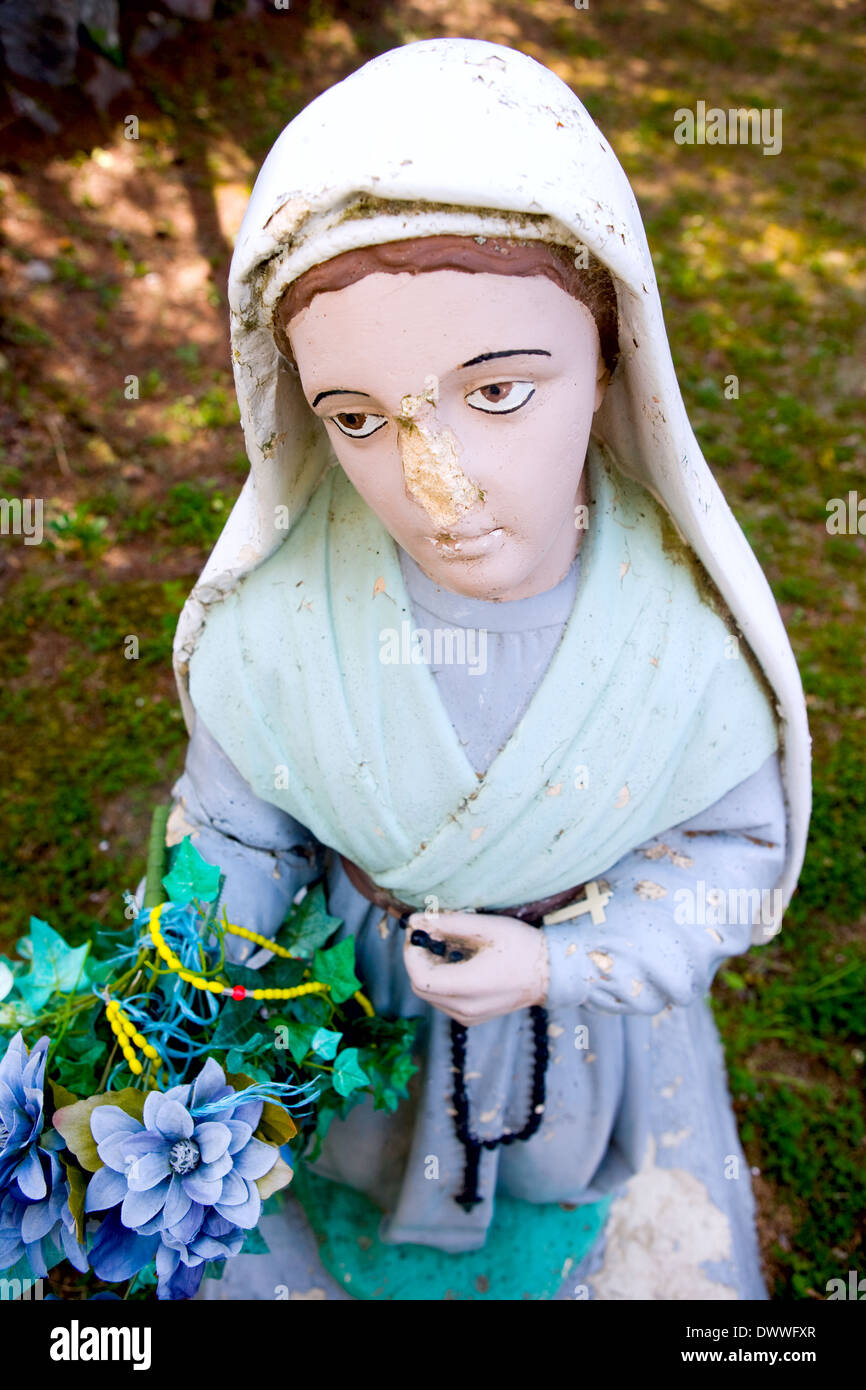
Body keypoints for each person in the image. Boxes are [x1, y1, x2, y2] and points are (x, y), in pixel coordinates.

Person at [174, 38, 810, 1300]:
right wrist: (194, 971)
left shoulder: (678, 640)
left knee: (569, 1225)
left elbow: (732, 859)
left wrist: (568, 962)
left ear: (609, 357)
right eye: (357, 418)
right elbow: (240, 823)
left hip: (574, 1050)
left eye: (500, 392)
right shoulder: (284, 623)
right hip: (362, 1017)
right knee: (347, 1192)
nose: (435, 490)